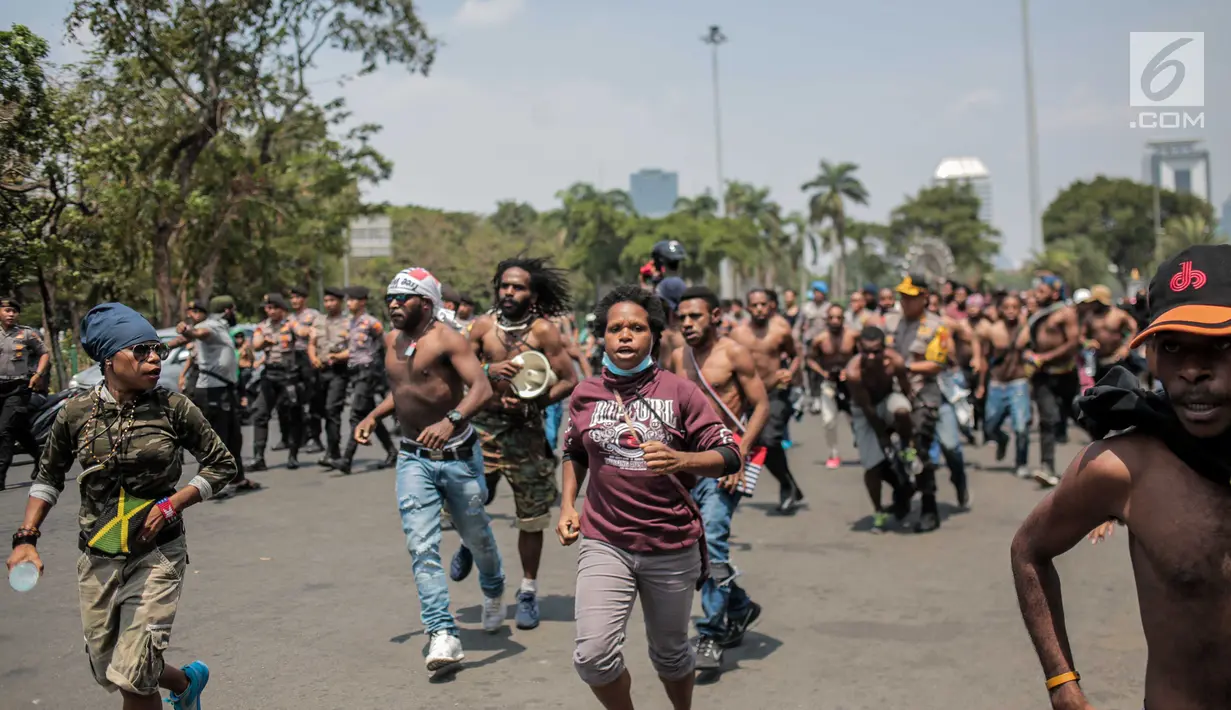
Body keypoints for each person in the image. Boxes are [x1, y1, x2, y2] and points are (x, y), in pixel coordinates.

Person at [1010, 244, 1231, 710]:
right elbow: (1028, 551)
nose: (1193, 370)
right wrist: (1062, 685)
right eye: (1172, 346)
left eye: (1222, 344)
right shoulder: (1122, 468)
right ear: (1149, 355)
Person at [8, 302, 236, 710]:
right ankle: (186, 682)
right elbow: (48, 477)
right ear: (108, 359)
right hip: (98, 555)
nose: (153, 359)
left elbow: (222, 465)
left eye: (157, 351)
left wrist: (174, 503)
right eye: (140, 351)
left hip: (158, 554)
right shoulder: (75, 413)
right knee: (109, 666)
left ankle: (164, 683)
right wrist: (26, 538)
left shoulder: (174, 407)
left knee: (133, 675)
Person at [557, 284, 740, 710]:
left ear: (653, 336)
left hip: (670, 545)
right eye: (615, 328)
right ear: (601, 336)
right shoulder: (586, 394)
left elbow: (730, 454)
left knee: (672, 654)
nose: (624, 335)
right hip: (606, 541)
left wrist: (682, 460)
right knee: (594, 656)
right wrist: (569, 503)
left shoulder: (681, 392)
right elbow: (574, 451)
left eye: (636, 328)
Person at [354, 267, 505, 673]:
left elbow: (482, 388)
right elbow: (403, 389)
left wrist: (451, 419)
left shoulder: (447, 339)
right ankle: (443, 633)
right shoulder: (391, 341)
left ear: (426, 302)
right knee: (421, 545)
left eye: (402, 298)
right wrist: (373, 415)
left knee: (476, 536)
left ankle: (493, 589)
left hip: (458, 456)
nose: (393, 305)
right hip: (413, 458)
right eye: (389, 298)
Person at [458, 257, 577, 630]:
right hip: (483, 429)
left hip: (525, 433)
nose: (509, 292)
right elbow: (457, 371)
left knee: (532, 517)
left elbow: (569, 378)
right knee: (473, 498)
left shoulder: (543, 332)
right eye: (505, 286)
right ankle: (470, 543)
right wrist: (487, 375)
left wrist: (536, 401)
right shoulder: (481, 327)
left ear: (533, 294)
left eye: (518, 287)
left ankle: (527, 591)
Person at [669, 286, 770, 674]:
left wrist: (739, 454)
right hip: (690, 464)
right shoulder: (679, 356)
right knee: (693, 549)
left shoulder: (734, 352)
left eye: (695, 316)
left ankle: (711, 632)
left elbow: (761, 404)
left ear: (714, 316)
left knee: (711, 539)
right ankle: (741, 606)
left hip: (727, 461)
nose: (688, 323)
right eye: (683, 317)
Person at [882, 274, 954, 532]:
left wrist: (905, 365)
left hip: (923, 393)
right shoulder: (890, 322)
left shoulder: (937, 327)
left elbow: (936, 364)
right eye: (902, 296)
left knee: (919, 448)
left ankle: (928, 506)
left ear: (924, 298)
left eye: (910, 297)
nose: (904, 302)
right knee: (889, 450)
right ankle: (902, 493)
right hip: (892, 392)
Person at [168, 296, 254, 495]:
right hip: (212, 391)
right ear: (227, 310)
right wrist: (186, 331)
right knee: (217, 438)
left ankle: (238, 478)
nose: (234, 312)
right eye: (233, 309)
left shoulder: (221, 327)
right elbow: (198, 333)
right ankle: (206, 485)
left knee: (234, 437)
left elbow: (190, 336)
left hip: (225, 390)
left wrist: (177, 340)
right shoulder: (211, 326)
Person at [729, 288, 805, 513]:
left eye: (763, 304)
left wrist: (789, 371)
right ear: (747, 308)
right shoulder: (738, 333)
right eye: (754, 305)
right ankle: (789, 484)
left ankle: (786, 485)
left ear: (771, 305)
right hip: (748, 394)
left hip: (775, 391)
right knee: (759, 441)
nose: (759, 309)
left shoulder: (781, 329)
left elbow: (796, 355)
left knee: (770, 439)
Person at [845, 326, 917, 532]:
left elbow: (906, 390)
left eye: (876, 351)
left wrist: (911, 420)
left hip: (887, 398)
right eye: (866, 351)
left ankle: (906, 448)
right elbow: (868, 409)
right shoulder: (854, 372)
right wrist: (883, 437)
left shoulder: (895, 362)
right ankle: (878, 511)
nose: (871, 356)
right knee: (872, 467)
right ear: (859, 348)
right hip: (864, 410)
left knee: (902, 410)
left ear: (884, 349)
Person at [330, 286, 398, 474]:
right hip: (355, 372)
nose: (348, 303)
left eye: (352, 299)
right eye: (348, 300)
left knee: (356, 415)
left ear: (362, 301)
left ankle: (346, 459)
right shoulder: (350, 323)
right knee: (371, 414)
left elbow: (387, 345)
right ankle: (392, 452)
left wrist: (386, 369)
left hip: (368, 373)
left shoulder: (371, 323)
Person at [1026, 276, 1081, 486]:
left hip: (1065, 375)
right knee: (1047, 419)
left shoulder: (1065, 313)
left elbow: (1073, 343)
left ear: (1055, 293)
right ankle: (1046, 466)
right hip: (1043, 376)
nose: (1036, 295)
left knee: (1078, 414)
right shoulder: (1036, 315)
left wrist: (1045, 357)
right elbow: (1024, 340)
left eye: (1041, 291)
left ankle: (1110, 453)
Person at [975, 294, 1033, 479]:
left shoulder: (1026, 329)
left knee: (1021, 427)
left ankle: (1021, 463)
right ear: (1000, 309)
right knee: (990, 426)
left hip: (1018, 382)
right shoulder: (993, 330)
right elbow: (982, 354)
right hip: (996, 383)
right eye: (1006, 306)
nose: (1010, 310)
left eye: (1014, 307)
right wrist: (981, 384)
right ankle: (1002, 439)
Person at [248, 294, 305, 470]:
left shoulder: (291, 323)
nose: (270, 311)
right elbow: (256, 344)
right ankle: (259, 458)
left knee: (293, 414)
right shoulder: (262, 327)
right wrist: (264, 341)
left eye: (274, 308)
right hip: (270, 374)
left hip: (288, 375)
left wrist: (302, 329)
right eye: (268, 308)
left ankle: (293, 455)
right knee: (260, 414)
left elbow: (304, 333)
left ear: (282, 309)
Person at [0, 298, 49, 489]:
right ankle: (40, 457)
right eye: (7, 310)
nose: (11, 314)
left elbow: (44, 353)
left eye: (14, 311)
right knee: (18, 429)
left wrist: (38, 374)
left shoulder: (26, 333)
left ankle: (1, 476)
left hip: (18, 387)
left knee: (4, 430)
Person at [806, 303, 856, 468]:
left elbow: (863, 356)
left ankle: (862, 442)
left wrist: (850, 371)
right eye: (832, 318)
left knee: (856, 418)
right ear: (826, 319)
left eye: (838, 317)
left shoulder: (853, 336)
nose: (835, 321)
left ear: (843, 319)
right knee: (828, 421)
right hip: (829, 383)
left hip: (851, 384)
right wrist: (823, 373)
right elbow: (810, 359)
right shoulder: (820, 339)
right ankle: (833, 453)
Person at [312, 287, 352, 466]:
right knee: (321, 412)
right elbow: (311, 343)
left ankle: (333, 451)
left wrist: (337, 357)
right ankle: (330, 449)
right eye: (326, 301)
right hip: (320, 372)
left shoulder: (349, 322)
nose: (329, 304)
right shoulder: (318, 320)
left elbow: (354, 348)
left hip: (339, 371)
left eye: (332, 301)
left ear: (340, 302)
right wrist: (313, 358)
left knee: (332, 410)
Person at [1080, 284, 1141, 383]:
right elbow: (1081, 336)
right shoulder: (1089, 317)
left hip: (1118, 359)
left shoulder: (1119, 315)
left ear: (1101, 301)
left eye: (1094, 302)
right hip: (1100, 361)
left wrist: (1126, 347)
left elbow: (1134, 328)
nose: (1091, 305)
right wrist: (1087, 342)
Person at [289, 286, 325, 454]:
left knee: (313, 400)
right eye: (292, 298)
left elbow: (306, 333)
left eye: (298, 297)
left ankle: (315, 437)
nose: (294, 301)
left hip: (309, 357)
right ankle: (297, 436)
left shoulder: (313, 315)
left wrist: (294, 325)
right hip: (293, 359)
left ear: (304, 298)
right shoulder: (289, 317)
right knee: (294, 399)